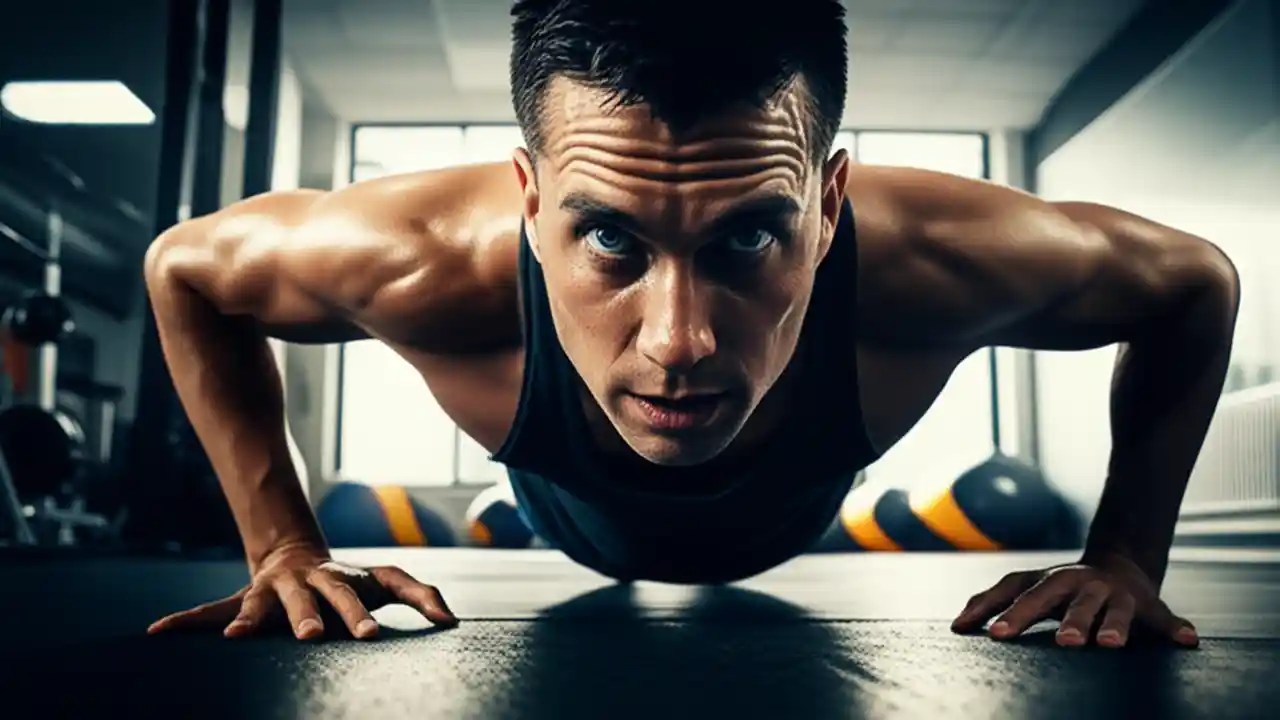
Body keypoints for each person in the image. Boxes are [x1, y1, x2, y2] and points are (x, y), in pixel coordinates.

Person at [144, 0, 1238, 650]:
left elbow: (1192, 283)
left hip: (797, 511)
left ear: (829, 200)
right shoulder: (426, 259)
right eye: (612, 239)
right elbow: (183, 268)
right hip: (557, 510)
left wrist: (1126, 559)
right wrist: (282, 545)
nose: (678, 342)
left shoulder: (937, 262)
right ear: (527, 199)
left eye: (748, 238)